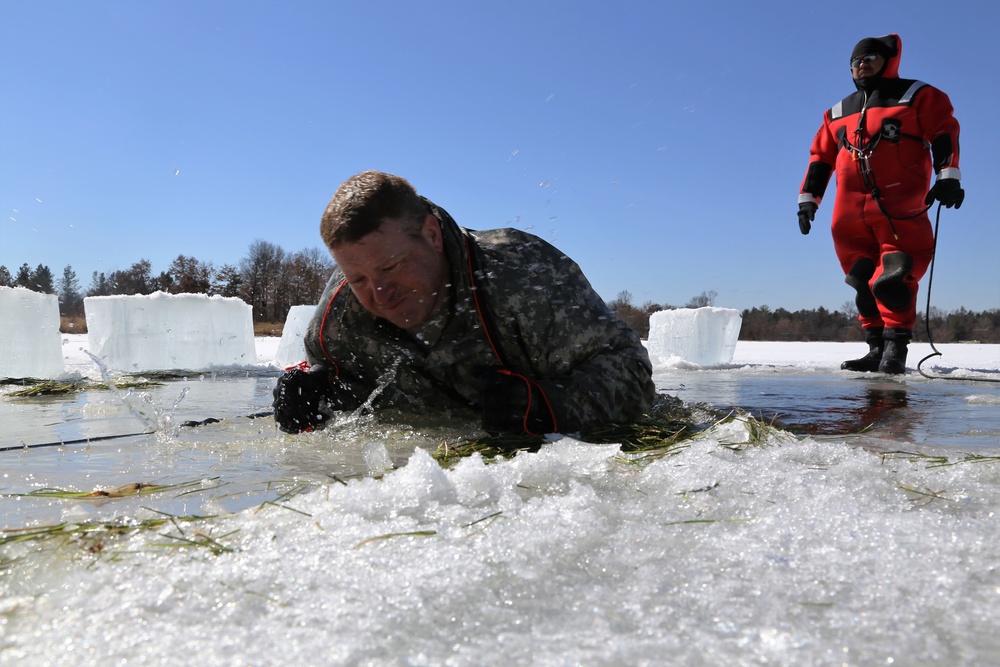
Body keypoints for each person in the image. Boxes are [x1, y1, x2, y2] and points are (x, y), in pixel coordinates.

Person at [272, 170, 656, 435]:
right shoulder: (338, 316)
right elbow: (338, 398)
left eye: (391, 266)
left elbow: (631, 373)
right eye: (358, 279)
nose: (380, 294)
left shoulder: (524, 276)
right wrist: (306, 404)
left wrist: (547, 406)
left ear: (431, 235)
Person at [796, 34, 963, 374]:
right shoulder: (837, 112)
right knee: (860, 280)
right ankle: (875, 347)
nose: (861, 65)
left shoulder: (918, 95)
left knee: (893, 277)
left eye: (869, 57)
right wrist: (808, 200)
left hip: (899, 202)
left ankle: (895, 349)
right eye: (855, 61)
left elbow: (944, 133)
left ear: (888, 59)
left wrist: (948, 176)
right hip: (848, 211)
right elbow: (820, 159)